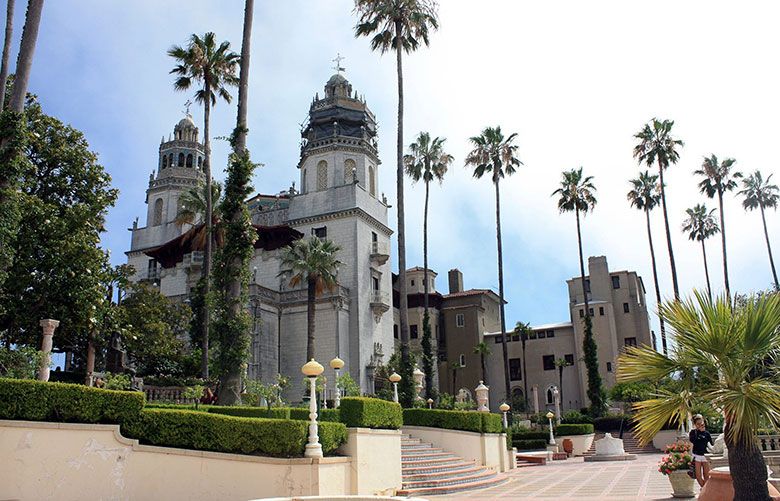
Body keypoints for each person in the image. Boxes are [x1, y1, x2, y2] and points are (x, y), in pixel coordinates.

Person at [689, 414, 714, 487]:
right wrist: (699, 432)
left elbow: (710, 444)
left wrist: (703, 432)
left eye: (701, 423)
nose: (700, 425)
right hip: (697, 456)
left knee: (706, 475)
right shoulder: (693, 433)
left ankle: (704, 491)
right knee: (698, 475)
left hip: (705, 456)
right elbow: (693, 441)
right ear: (695, 424)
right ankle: (704, 489)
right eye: (698, 424)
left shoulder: (707, 433)